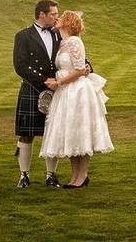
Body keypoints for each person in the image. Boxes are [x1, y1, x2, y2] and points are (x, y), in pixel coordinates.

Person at [40, 10, 114, 188]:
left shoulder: (75, 41)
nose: (57, 19)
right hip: (65, 92)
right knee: (71, 131)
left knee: (81, 130)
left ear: (68, 23)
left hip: (77, 91)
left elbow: (80, 69)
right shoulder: (63, 43)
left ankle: (82, 175)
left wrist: (59, 82)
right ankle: (75, 176)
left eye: (62, 17)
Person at [12, 0, 69, 188]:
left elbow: (73, 55)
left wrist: (86, 67)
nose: (57, 17)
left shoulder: (59, 35)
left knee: (52, 133)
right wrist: (44, 80)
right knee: (26, 134)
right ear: (41, 15)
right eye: (53, 14)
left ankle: (51, 175)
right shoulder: (23, 36)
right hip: (33, 87)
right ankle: (24, 175)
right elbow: (20, 66)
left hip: (56, 89)